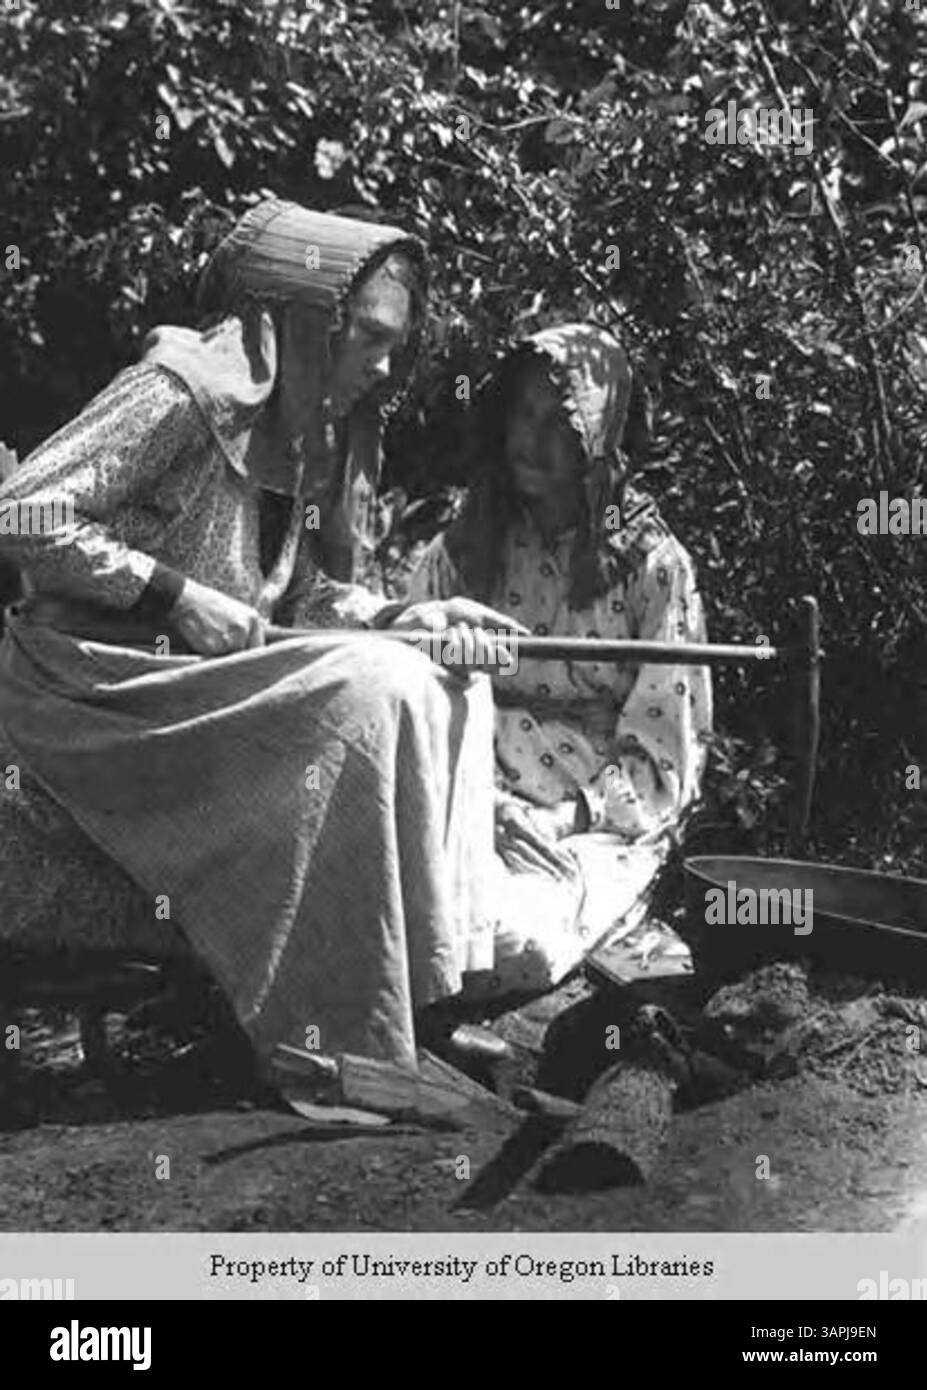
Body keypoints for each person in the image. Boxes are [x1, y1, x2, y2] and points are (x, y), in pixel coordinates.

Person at [0, 197, 520, 1097]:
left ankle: (413, 1003)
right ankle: (337, 1039)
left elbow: (302, 599)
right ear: (300, 318)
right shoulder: (179, 393)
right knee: (367, 695)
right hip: (92, 695)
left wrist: (406, 620)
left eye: (395, 341)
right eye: (368, 335)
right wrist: (169, 592)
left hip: (195, 692)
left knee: (441, 681)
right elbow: (22, 512)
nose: (384, 363)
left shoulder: (302, 436)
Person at [406, 322, 714, 992]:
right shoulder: (472, 539)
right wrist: (478, 800)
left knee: (510, 942)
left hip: (583, 824)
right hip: (463, 790)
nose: (531, 440)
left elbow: (663, 760)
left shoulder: (651, 567)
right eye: (522, 414)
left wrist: (560, 816)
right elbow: (406, 674)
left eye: (559, 422)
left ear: (596, 439)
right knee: (396, 907)